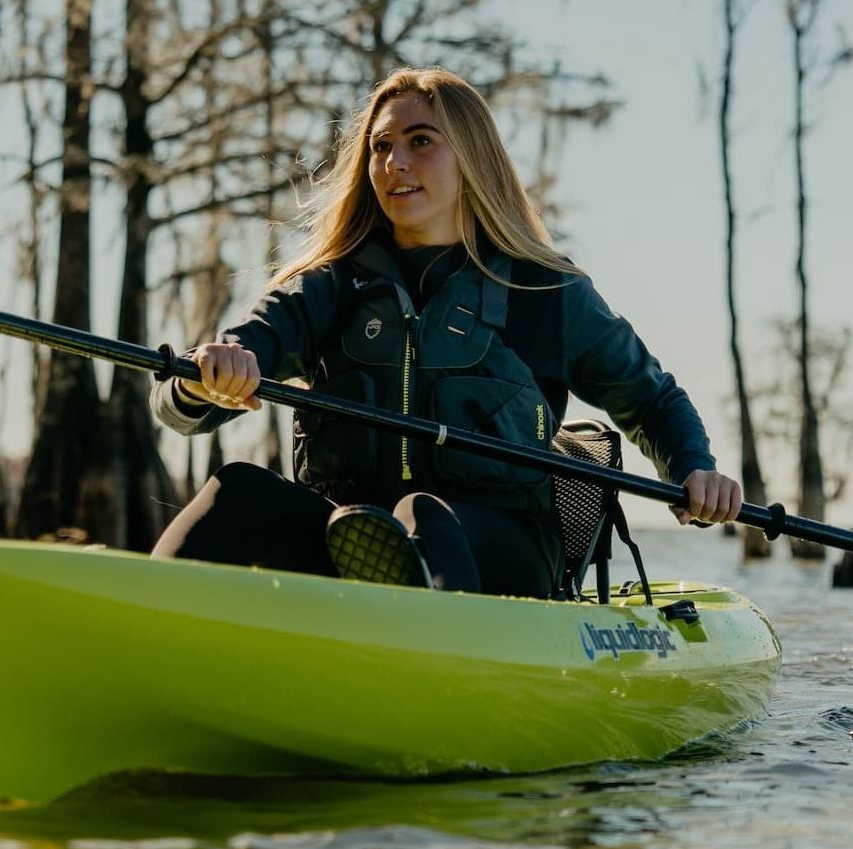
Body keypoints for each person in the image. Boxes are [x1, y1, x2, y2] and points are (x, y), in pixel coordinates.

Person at [149, 66, 741, 596]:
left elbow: (651, 398)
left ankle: (440, 679)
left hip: (501, 548)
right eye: (380, 147)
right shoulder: (328, 286)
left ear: (472, 159)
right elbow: (191, 394)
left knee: (424, 514)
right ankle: (138, 635)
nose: (393, 164)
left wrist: (693, 468)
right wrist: (203, 380)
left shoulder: (547, 292)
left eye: (420, 142)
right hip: (346, 533)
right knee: (237, 490)